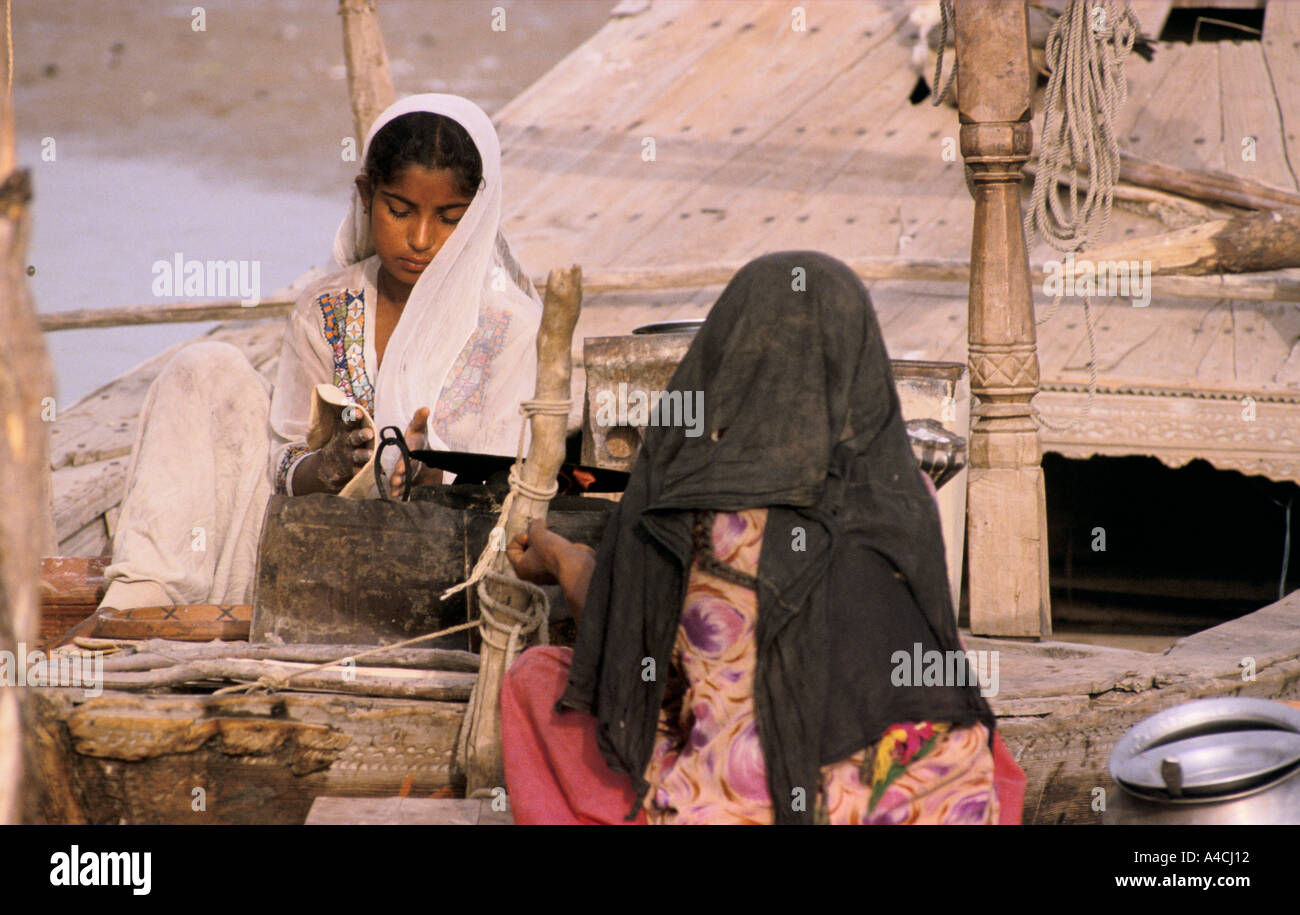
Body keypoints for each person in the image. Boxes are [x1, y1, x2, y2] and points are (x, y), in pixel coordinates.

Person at [501, 251, 1025, 825]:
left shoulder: (693, 511)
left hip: (750, 804)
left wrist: (561, 555)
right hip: (943, 805)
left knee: (539, 680)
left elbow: (620, 634)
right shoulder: (907, 494)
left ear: (724, 363)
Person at [98, 94, 541, 612]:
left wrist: (423, 469)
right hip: (302, 550)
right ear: (365, 195)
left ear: (479, 215)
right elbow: (283, 461)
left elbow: (503, 490)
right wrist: (329, 467)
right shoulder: (325, 306)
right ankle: (143, 599)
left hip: (435, 578)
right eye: (399, 211)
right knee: (205, 367)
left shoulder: (508, 327)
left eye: (449, 219)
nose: (420, 239)